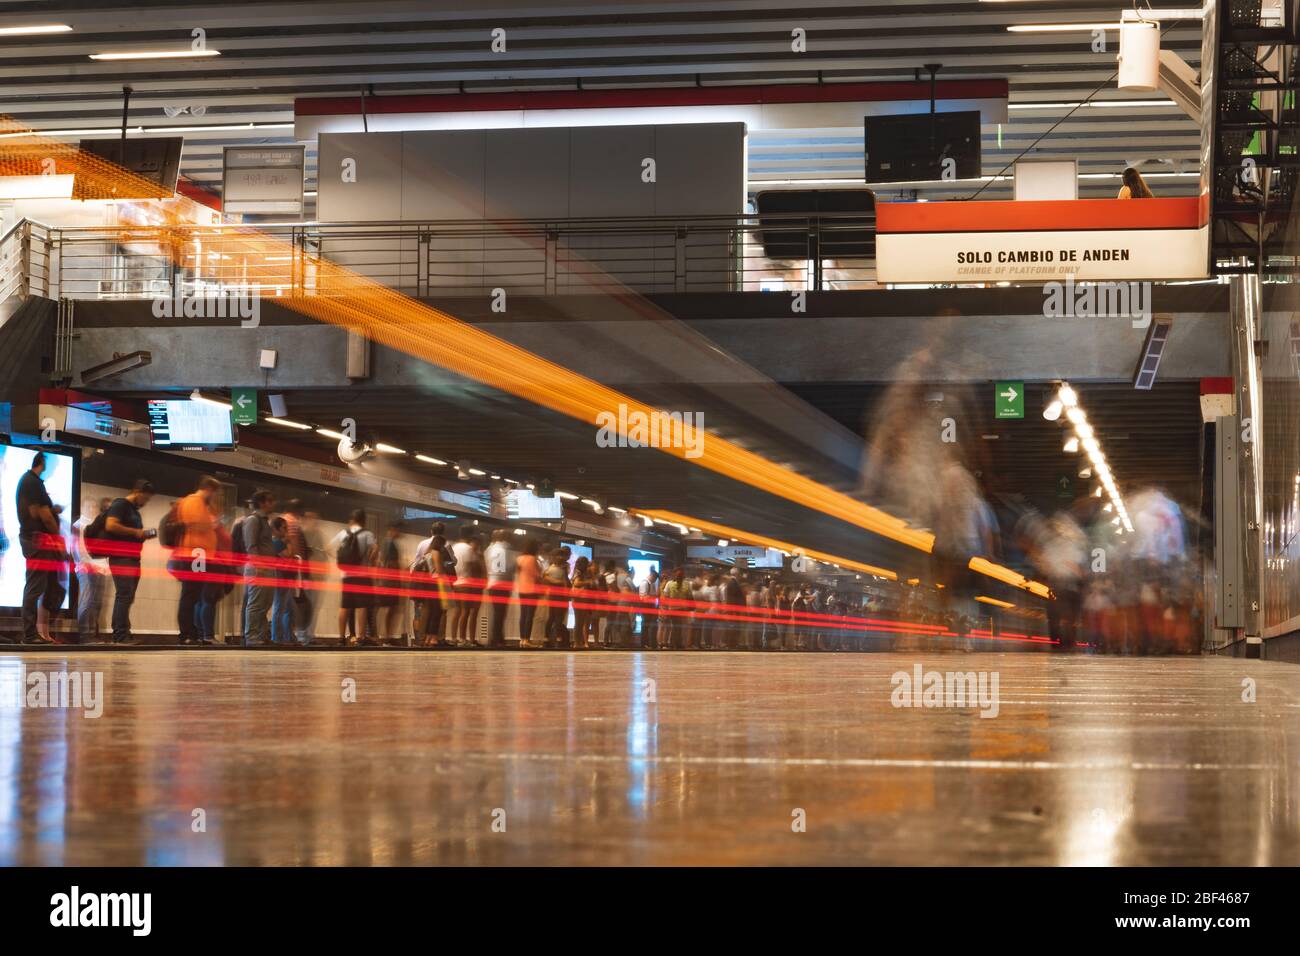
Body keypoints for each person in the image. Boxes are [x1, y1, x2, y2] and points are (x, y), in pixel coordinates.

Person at [16, 452, 68, 645]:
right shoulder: (33, 482)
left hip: (34, 540)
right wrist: (58, 539)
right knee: (35, 587)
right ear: (43, 462)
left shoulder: (29, 482)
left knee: (42, 586)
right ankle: (29, 635)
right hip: (38, 540)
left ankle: (33, 634)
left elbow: (38, 511)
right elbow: (42, 515)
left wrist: (54, 510)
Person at [171, 475, 222, 645]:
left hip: (200, 554)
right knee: (190, 593)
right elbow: (196, 525)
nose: (215, 497)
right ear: (209, 490)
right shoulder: (193, 502)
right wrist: (211, 524)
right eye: (215, 493)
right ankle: (187, 633)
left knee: (195, 593)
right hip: (195, 553)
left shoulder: (202, 504)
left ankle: (193, 632)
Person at [103, 480, 156, 645]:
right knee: (124, 595)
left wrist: (143, 535)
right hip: (121, 557)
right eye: (145, 499)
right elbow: (110, 525)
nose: (145, 503)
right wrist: (137, 532)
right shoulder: (121, 504)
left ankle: (124, 631)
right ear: (137, 491)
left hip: (132, 558)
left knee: (128, 596)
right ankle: (120, 635)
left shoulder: (133, 511)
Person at [332, 509, 377, 646]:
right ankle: (361, 637)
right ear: (363, 521)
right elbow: (375, 548)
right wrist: (369, 560)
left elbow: (328, 547)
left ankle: (341, 638)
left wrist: (340, 560)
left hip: (346, 575)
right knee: (361, 606)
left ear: (351, 520)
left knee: (344, 606)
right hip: (362, 575)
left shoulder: (343, 533)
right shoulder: (367, 534)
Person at [241, 489, 277, 646]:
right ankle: (252, 637)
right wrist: (258, 564)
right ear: (262, 503)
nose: (272, 504)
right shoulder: (253, 520)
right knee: (255, 604)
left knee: (265, 603)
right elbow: (251, 545)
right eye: (269, 501)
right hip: (258, 568)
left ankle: (261, 635)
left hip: (267, 568)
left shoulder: (264, 521)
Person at [74, 497, 112, 644]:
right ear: (83, 507)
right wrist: (84, 563)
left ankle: (93, 634)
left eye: (95, 506)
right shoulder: (79, 525)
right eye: (89, 506)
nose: (93, 509)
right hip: (87, 567)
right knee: (87, 600)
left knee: (97, 603)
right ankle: (84, 635)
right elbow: (77, 549)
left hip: (101, 568)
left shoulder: (95, 525)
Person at [372, 522, 404, 644]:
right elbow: (391, 564)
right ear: (392, 530)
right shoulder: (390, 544)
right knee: (389, 609)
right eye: (397, 530)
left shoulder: (387, 543)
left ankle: (384, 636)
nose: (399, 533)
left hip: (386, 581)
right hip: (389, 581)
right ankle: (384, 636)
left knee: (388, 609)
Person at [483, 529, 515, 648]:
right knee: (500, 614)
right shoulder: (501, 549)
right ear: (502, 537)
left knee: (498, 613)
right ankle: (497, 639)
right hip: (501, 585)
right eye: (507, 536)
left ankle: (497, 638)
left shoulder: (488, 549)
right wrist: (514, 566)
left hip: (492, 584)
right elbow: (501, 568)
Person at [515, 538, 543, 648]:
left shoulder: (519, 558)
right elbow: (537, 575)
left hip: (521, 589)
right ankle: (527, 639)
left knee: (523, 615)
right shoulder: (532, 559)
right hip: (532, 590)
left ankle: (522, 639)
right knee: (529, 616)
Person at [542, 548, 571, 647]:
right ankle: (556, 638)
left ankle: (549, 638)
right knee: (556, 617)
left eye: (562, 555)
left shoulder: (554, 569)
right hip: (556, 596)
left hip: (556, 595)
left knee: (554, 617)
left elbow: (566, 583)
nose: (561, 557)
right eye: (559, 555)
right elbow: (564, 583)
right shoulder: (552, 569)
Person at [639, 567, 660, 649]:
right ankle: (644, 644)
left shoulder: (650, 584)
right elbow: (643, 597)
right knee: (645, 626)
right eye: (654, 579)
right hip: (646, 607)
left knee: (648, 626)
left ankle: (649, 643)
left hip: (650, 607)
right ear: (652, 576)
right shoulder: (645, 583)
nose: (654, 581)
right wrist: (654, 596)